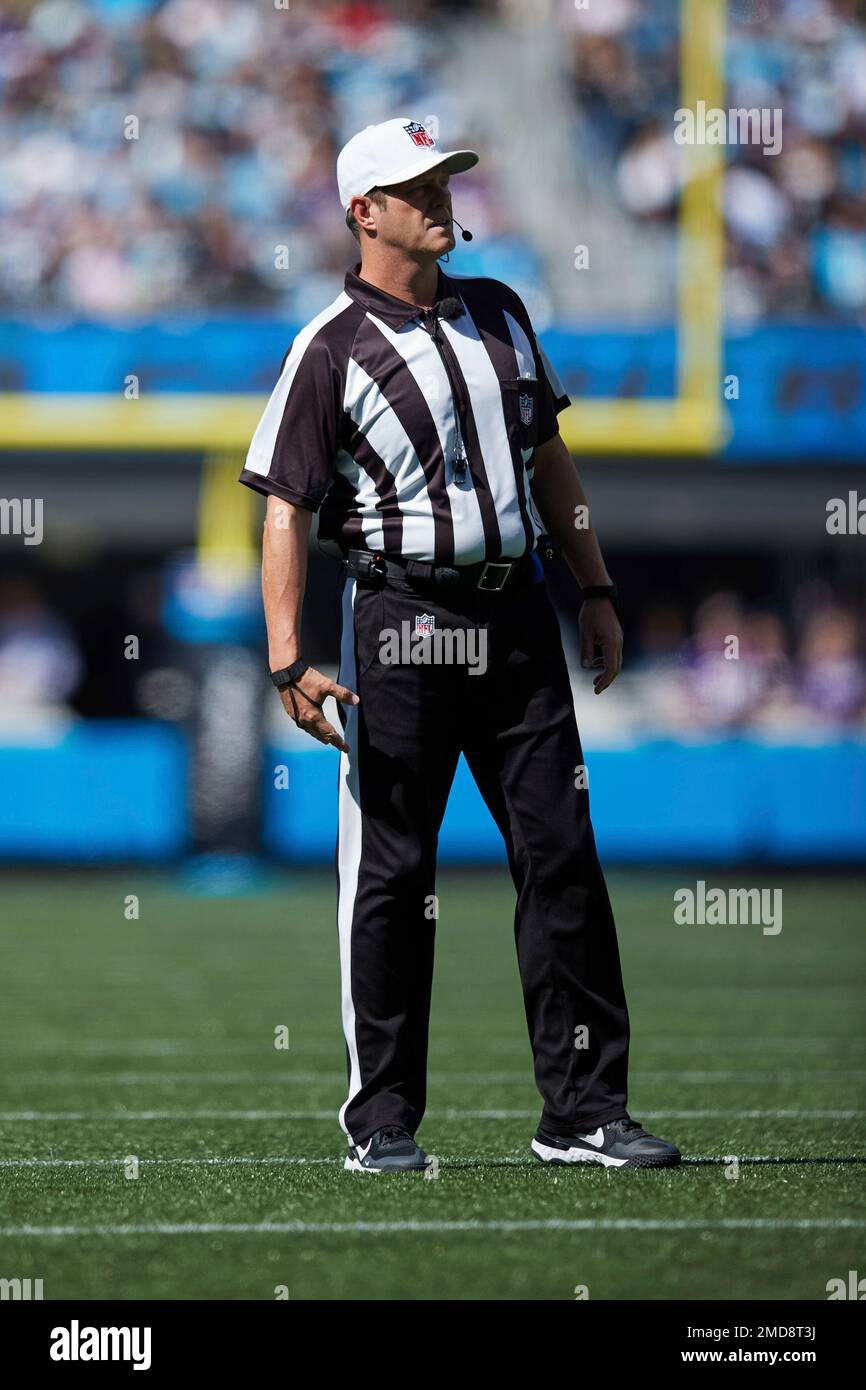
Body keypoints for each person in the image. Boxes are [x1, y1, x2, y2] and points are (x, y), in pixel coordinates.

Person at [240, 118, 680, 1172]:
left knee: (562, 858)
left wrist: (595, 587)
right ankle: (382, 1120)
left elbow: (548, 459)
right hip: (401, 619)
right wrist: (287, 658)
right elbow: (283, 511)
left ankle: (580, 1111)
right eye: (415, 184)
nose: (439, 196)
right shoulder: (327, 347)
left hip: (520, 616)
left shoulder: (500, 311)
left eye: (443, 177)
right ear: (363, 211)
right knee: (391, 873)